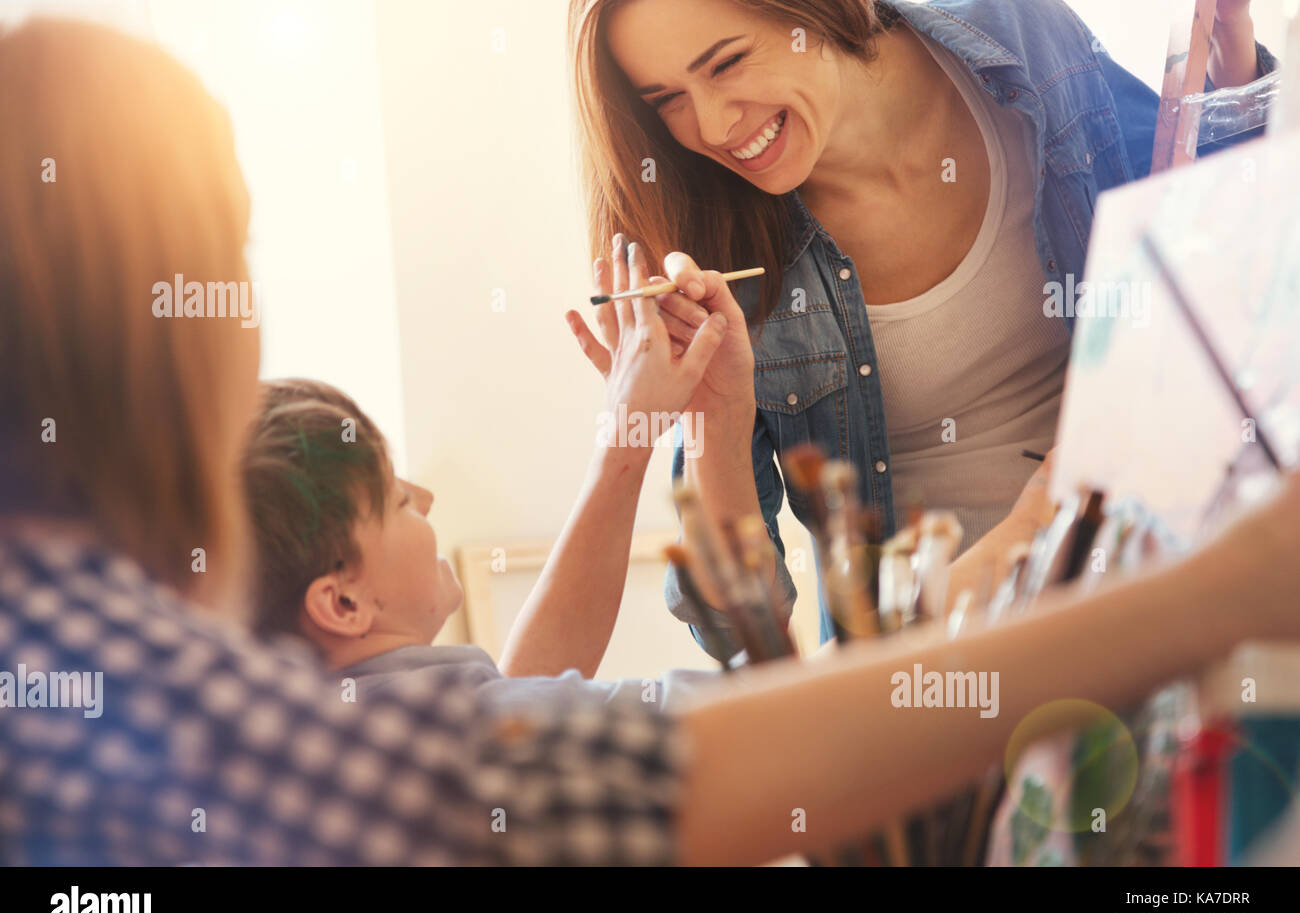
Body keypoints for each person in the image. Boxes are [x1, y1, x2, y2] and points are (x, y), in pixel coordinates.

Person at [3, 16, 1299, 868]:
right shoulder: (180, 707)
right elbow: (656, 758)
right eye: (230, 260)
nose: (710, 120)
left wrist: (638, 435)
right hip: (1004, 674)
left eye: (727, 60)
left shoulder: (156, 668)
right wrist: (1211, 590)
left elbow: (530, 685)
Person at [565, 0, 1278, 653]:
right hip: (925, 690)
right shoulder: (716, 241)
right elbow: (736, 631)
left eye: (726, 63)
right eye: (667, 101)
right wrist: (706, 420)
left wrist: (1234, 85)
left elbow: (1208, 245)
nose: (715, 126)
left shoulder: (1015, 38)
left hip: (1149, 595)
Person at [241, 377, 714, 710]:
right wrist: (721, 414)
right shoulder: (479, 729)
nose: (426, 500)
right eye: (398, 498)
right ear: (343, 602)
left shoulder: (318, 728)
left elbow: (523, 694)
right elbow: (763, 724)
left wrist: (625, 435)